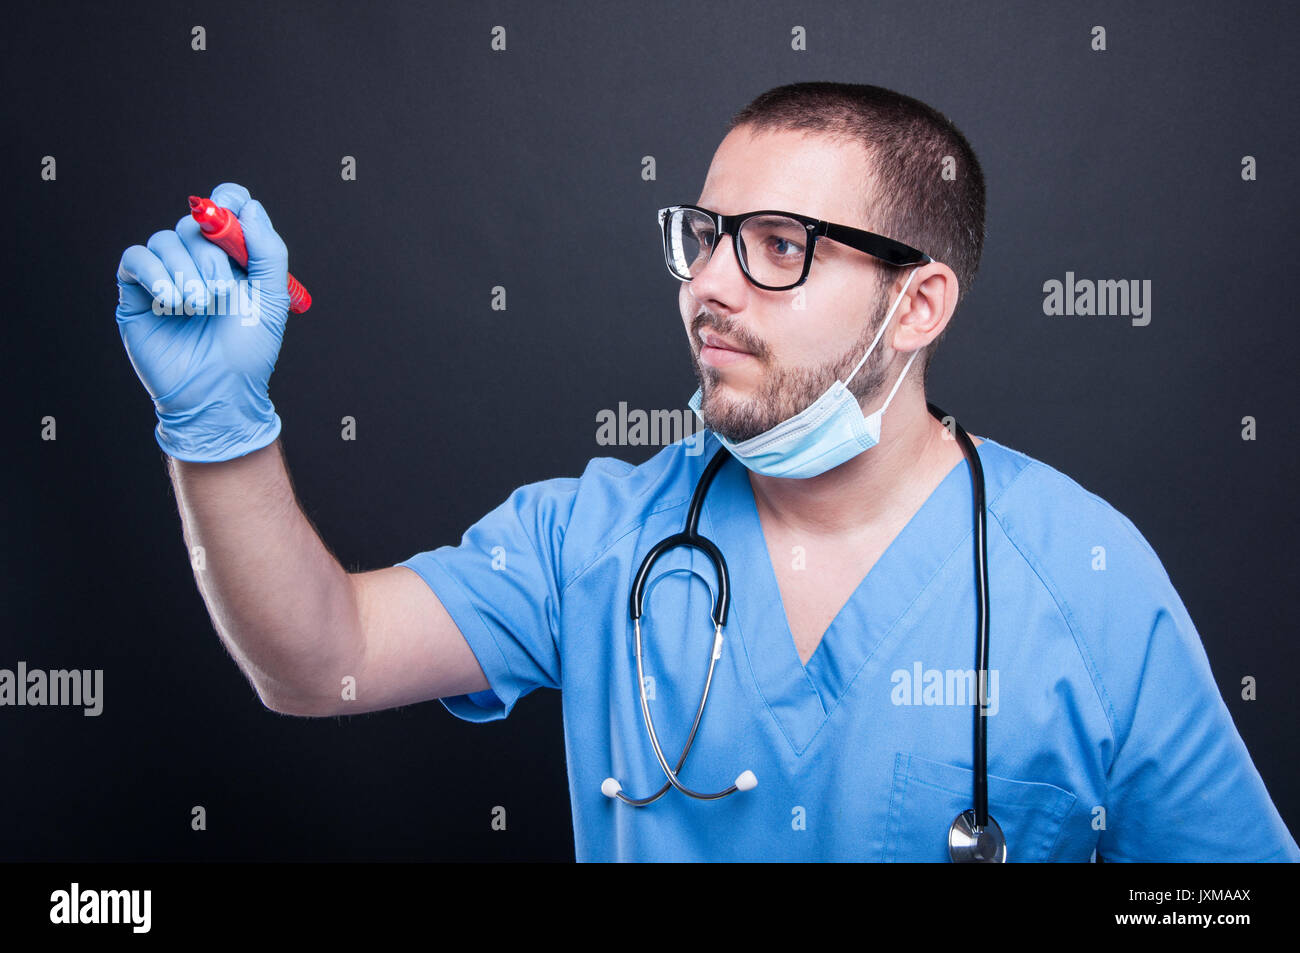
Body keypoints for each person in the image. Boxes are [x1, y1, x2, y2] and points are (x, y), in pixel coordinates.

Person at [115, 82, 1299, 862]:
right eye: (706, 235)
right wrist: (220, 421)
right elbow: (318, 661)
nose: (708, 286)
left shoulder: (1086, 579)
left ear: (918, 301)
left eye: (778, 246)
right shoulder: (594, 537)